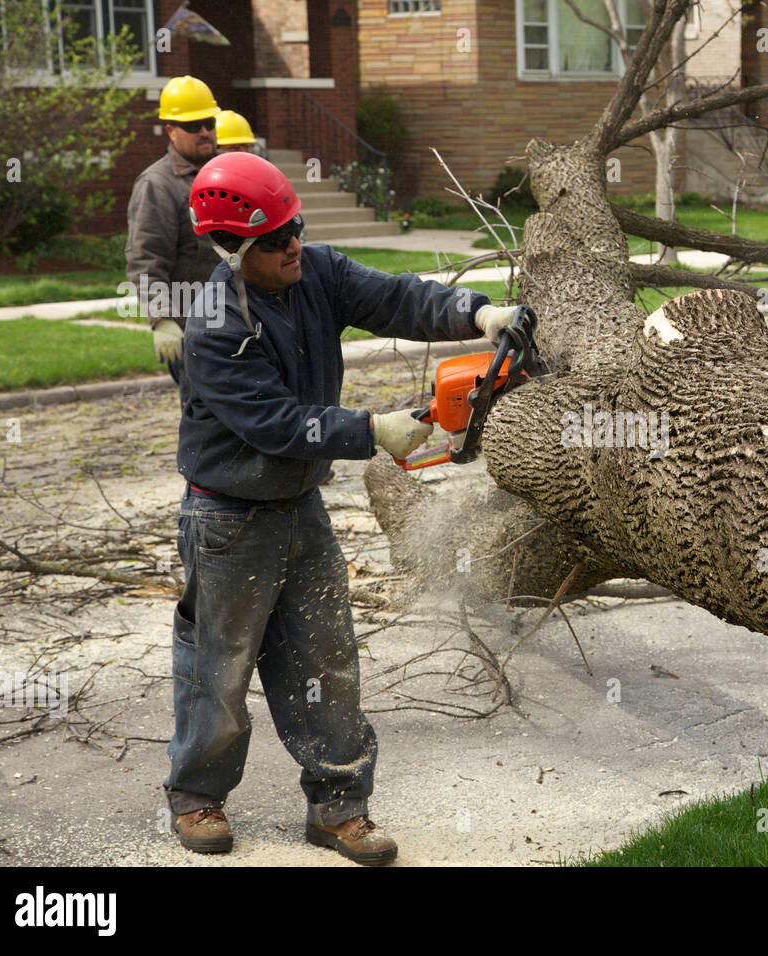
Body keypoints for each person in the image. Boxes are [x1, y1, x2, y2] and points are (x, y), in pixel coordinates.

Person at [164, 152, 518, 866]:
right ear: (232, 250)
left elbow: (393, 296)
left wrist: (476, 311)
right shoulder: (214, 324)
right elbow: (275, 422)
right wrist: (371, 430)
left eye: (295, 227)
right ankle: (197, 796)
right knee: (220, 667)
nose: (293, 245)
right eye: (274, 240)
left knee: (328, 660)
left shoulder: (315, 270)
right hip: (229, 519)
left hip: (300, 507)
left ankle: (339, 807)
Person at [126, 75, 222, 405]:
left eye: (209, 122)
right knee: (208, 424)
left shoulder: (229, 172)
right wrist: (162, 319)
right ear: (171, 130)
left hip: (245, 322)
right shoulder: (158, 185)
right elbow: (145, 260)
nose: (205, 132)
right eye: (193, 125)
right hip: (196, 330)